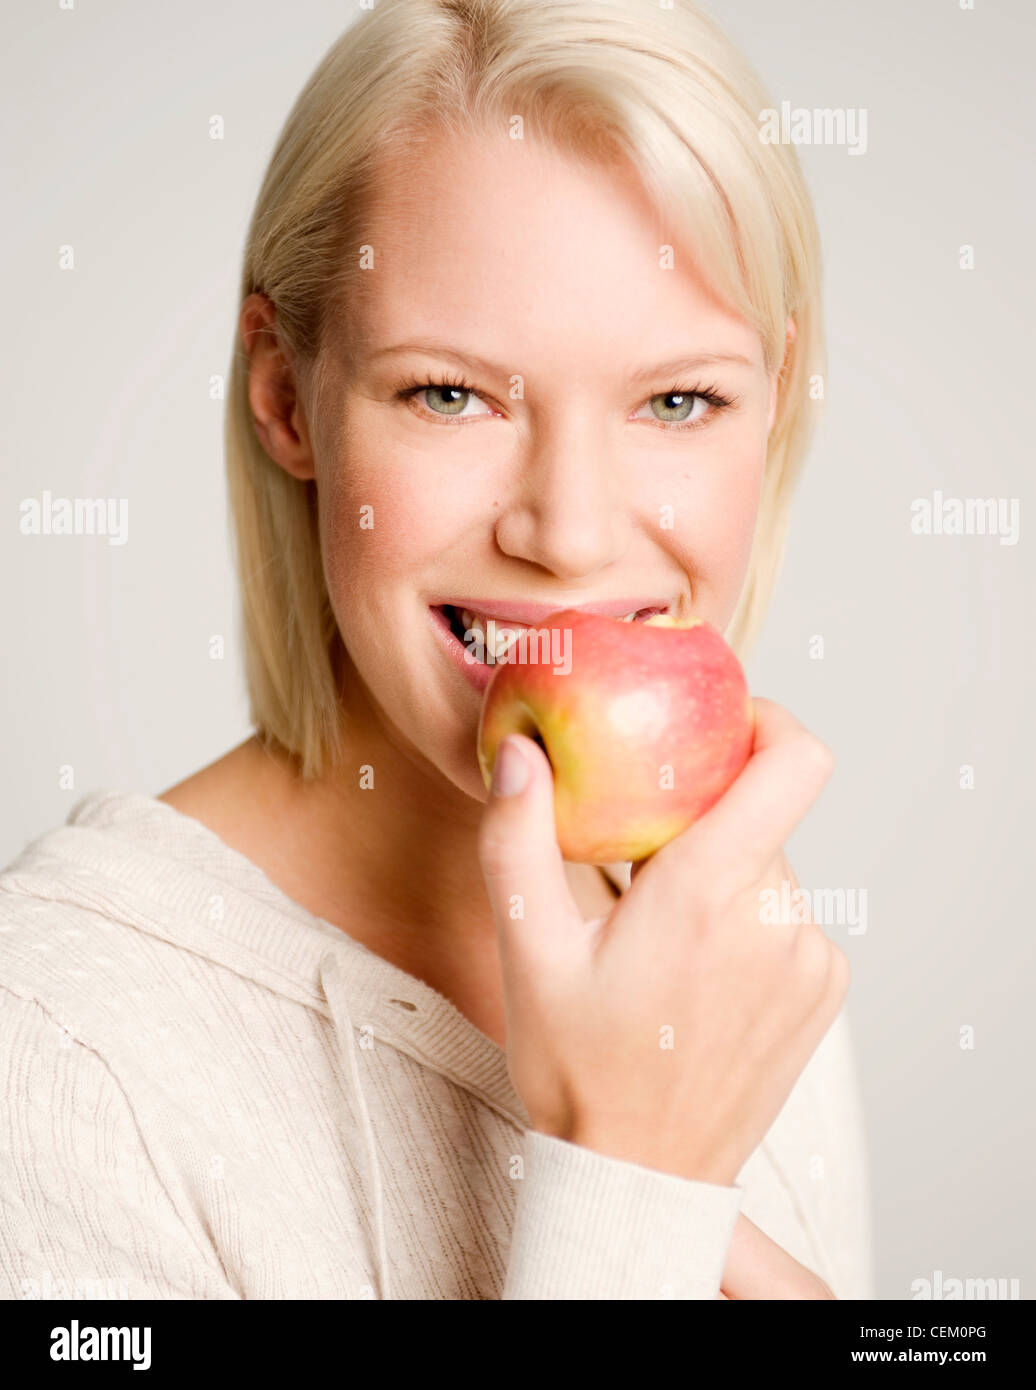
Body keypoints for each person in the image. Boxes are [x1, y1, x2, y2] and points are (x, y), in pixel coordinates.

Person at [0, 0, 873, 1299]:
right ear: (288, 396)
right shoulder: (59, 1051)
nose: (570, 534)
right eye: (450, 392)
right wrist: (629, 1189)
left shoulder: (737, 942)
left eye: (679, 398)